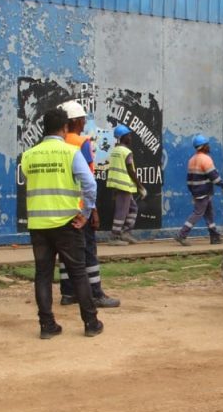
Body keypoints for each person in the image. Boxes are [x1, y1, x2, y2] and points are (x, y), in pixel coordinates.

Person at [21, 107, 104, 339]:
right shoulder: (70, 152)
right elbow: (90, 185)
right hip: (68, 223)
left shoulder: (30, 155)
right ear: (65, 128)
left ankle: (47, 326)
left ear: (43, 128)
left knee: (43, 274)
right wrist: (86, 213)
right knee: (78, 272)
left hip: (39, 224)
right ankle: (91, 322)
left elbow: (31, 179)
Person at [56, 100, 120, 309]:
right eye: (83, 119)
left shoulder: (57, 144)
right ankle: (95, 293)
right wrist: (93, 210)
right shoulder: (82, 143)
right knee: (88, 250)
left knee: (66, 251)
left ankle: (68, 292)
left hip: (63, 207)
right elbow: (88, 180)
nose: (85, 123)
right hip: (81, 207)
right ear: (75, 120)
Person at [174, 134, 223, 246]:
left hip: (199, 192)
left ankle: (215, 237)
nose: (209, 146)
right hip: (204, 192)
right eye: (207, 144)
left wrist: (193, 192)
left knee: (209, 214)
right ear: (203, 146)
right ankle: (181, 234)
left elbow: (189, 180)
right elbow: (214, 177)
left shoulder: (192, 160)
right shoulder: (206, 159)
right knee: (198, 213)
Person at [106, 123, 146, 245]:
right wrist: (140, 187)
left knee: (133, 208)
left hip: (117, 185)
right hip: (124, 186)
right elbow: (131, 171)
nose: (130, 137)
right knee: (122, 211)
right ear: (123, 137)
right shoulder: (126, 152)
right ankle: (114, 237)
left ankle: (126, 233)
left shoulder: (114, 151)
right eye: (129, 135)